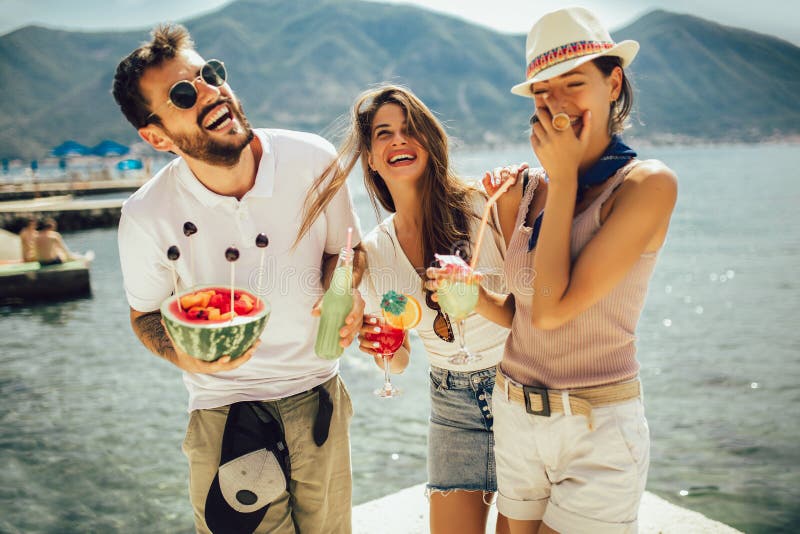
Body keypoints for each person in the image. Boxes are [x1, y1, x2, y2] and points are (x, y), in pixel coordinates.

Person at [427, 7, 678, 533]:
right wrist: (471, 295)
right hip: (515, 412)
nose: (557, 103)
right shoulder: (527, 190)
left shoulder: (645, 186)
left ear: (614, 83)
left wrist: (561, 181)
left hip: (595, 426)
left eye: (573, 83)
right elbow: (521, 314)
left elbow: (552, 310)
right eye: (543, 90)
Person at [112, 24, 365, 533]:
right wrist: (183, 353)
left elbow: (347, 255)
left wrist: (350, 293)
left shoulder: (313, 159)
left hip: (319, 397)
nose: (210, 90)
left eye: (211, 74)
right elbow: (145, 316)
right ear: (156, 136)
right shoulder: (146, 214)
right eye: (184, 94)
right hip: (224, 412)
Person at [300, 84, 512, 534]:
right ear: (371, 159)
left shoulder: (483, 206)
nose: (398, 139)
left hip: (517, 387)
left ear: (430, 140)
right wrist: (374, 343)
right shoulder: (374, 251)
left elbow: (529, 312)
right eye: (383, 134)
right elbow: (398, 357)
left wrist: (473, 292)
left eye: (409, 128)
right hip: (451, 401)